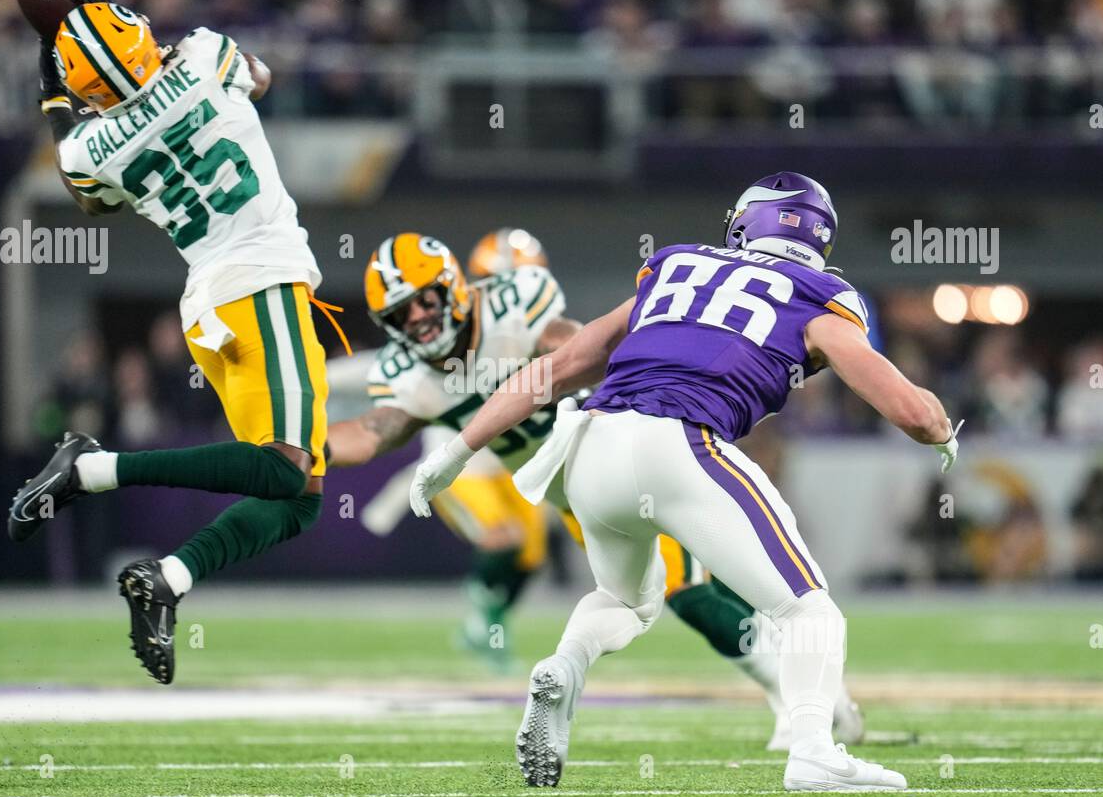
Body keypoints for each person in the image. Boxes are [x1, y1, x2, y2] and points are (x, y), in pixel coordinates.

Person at [410, 172, 961, 791]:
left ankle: (565, 666)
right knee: (809, 610)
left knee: (624, 599)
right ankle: (811, 750)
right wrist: (943, 431)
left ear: (747, 221)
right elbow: (912, 412)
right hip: (681, 442)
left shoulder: (677, 263)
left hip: (590, 445)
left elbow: (560, 366)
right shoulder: (821, 295)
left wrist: (456, 452)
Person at [328, 229, 862, 746]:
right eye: (402, 312)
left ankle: (800, 705)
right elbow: (376, 430)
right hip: (581, 495)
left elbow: (570, 349)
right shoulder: (406, 375)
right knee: (689, 591)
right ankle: (808, 703)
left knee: (693, 591)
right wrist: (305, 448)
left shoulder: (515, 304)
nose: (418, 318)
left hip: (616, 452)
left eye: (425, 300)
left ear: (455, 288)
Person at [8, 0, 332, 685]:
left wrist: (53, 99)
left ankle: (167, 578)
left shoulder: (93, 144)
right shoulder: (205, 54)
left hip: (208, 300)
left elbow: (85, 192)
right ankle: (92, 467)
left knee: (298, 498)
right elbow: (263, 74)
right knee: (284, 469)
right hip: (262, 281)